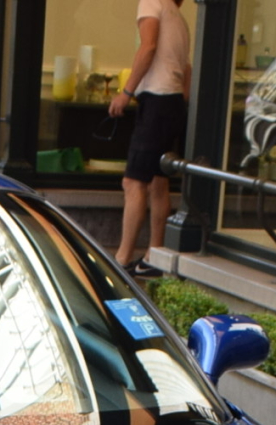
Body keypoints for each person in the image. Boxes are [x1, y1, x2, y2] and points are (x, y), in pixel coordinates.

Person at [108, 0, 190, 275]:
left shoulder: (151, 3)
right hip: (173, 100)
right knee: (158, 182)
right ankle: (155, 256)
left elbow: (148, 47)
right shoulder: (178, 16)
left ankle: (121, 259)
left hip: (156, 100)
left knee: (133, 182)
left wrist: (126, 92)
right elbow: (186, 68)